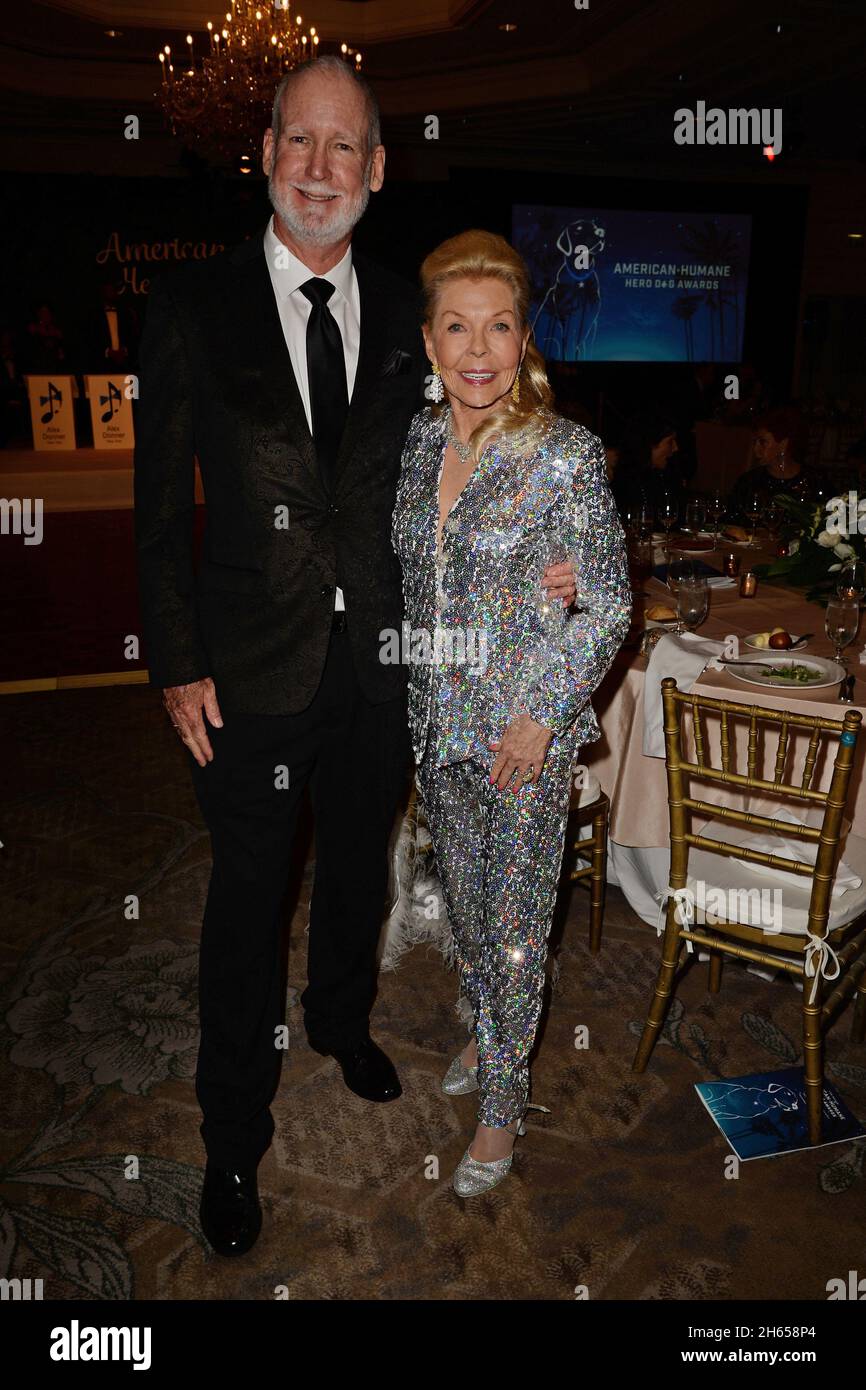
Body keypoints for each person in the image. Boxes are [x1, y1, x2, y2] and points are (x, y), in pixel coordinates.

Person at [134, 59, 575, 1257]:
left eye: (345, 148)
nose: (319, 168)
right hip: (245, 668)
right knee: (243, 904)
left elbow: (491, 424)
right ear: (264, 153)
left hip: (384, 665)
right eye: (298, 143)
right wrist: (174, 659)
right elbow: (156, 513)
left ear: (378, 169)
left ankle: (340, 1018)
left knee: (359, 875)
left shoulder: (411, 308)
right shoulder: (190, 310)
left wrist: (554, 559)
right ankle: (233, 1133)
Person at [392, 230, 631, 1196]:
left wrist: (542, 713)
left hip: (521, 739)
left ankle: (502, 1102)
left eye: (498, 327)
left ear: (523, 336)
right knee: (471, 915)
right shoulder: (416, 446)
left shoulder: (564, 456)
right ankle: (492, 1037)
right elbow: (417, 587)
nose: (479, 350)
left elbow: (611, 601)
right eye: (459, 329)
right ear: (431, 340)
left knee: (521, 919)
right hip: (438, 730)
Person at [724, 405, 811, 521]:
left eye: (763, 442)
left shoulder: (812, 483)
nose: (755, 449)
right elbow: (730, 522)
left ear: (783, 444)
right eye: (754, 442)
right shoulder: (749, 483)